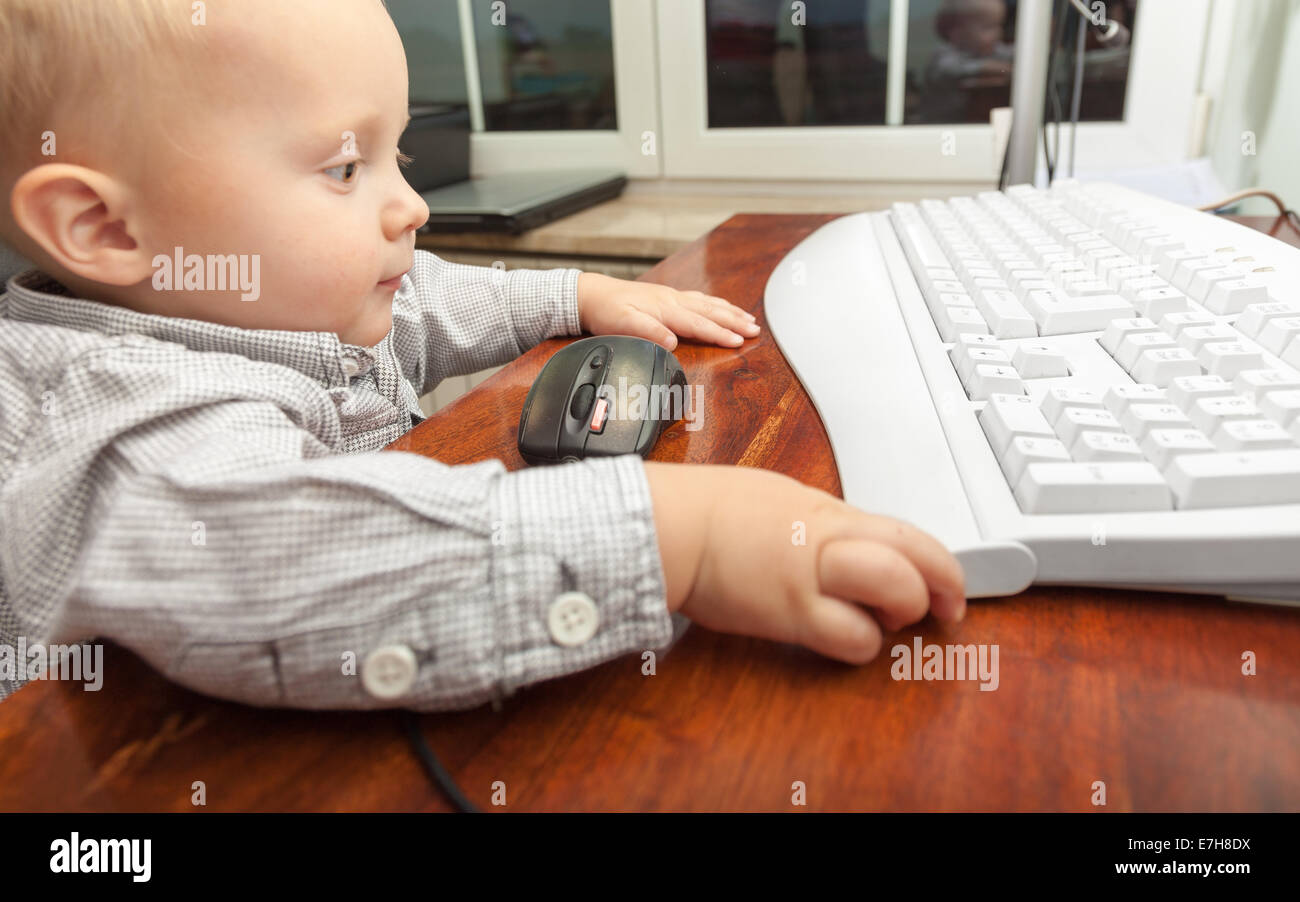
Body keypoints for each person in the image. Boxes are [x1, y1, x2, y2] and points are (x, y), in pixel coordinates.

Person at [0, 0, 965, 710]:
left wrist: (571, 294)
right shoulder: (123, 414)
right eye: (345, 167)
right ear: (103, 227)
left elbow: (423, 297)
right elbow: (298, 566)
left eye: (401, 158)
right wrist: (686, 538)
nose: (412, 207)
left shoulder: (251, 298)